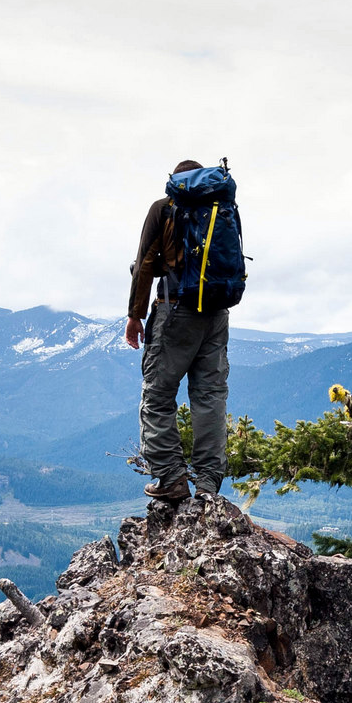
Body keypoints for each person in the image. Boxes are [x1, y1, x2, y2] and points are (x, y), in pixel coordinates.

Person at [125, 159, 231, 500]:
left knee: (157, 395)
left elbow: (143, 263)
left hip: (175, 311)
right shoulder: (221, 209)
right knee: (210, 395)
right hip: (217, 314)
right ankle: (208, 483)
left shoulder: (164, 208)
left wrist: (135, 314)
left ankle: (171, 477)